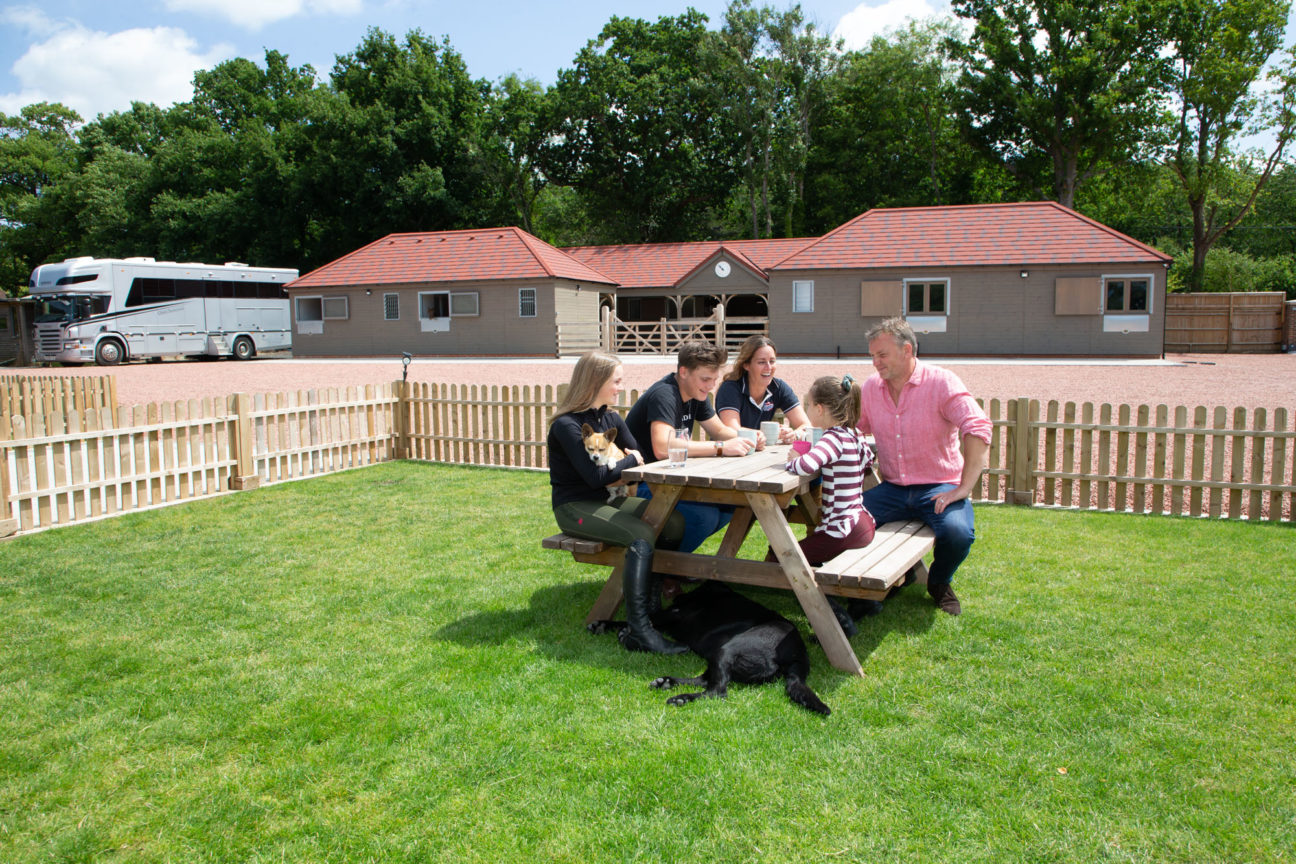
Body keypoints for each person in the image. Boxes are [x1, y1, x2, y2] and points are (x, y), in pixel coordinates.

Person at [548, 350, 687, 654]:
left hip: (608, 501)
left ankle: (651, 610)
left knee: (673, 522)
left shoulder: (610, 417)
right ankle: (639, 631)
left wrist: (621, 469)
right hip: (574, 508)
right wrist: (625, 466)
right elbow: (596, 477)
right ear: (595, 381)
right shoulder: (566, 425)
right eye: (616, 381)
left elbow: (642, 462)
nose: (620, 388)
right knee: (642, 534)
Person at [857, 317, 991, 615]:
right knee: (849, 523)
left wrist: (964, 488)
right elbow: (857, 427)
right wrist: (809, 432)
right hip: (892, 489)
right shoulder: (870, 387)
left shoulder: (941, 382)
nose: (876, 363)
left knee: (958, 534)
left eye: (882, 355)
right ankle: (881, 582)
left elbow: (978, 427)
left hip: (938, 486)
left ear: (907, 351)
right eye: (873, 356)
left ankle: (939, 582)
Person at [624, 340, 754, 554]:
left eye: (714, 379)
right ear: (683, 372)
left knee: (733, 505)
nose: (711, 386)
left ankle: (674, 567)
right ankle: (662, 571)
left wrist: (750, 437)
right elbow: (662, 447)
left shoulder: (696, 392)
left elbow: (720, 431)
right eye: (705, 379)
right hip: (639, 484)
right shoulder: (664, 394)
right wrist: (721, 448)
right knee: (705, 516)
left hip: (668, 480)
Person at [780, 374, 877, 635]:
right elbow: (868, 459)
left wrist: (795, 458)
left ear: (820, 409)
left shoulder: (832, 438)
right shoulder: (853, 434)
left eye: (809, 405)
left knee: (786, 559)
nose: (808, 410)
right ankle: (864, 602)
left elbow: (806, 466)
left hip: (842, 530)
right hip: (863, 523)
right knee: (798, 552)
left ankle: (835, 617)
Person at [715, 335, 812, 444]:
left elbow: (806, 425)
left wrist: (794, 434)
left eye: (772, 361)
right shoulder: (730, 389)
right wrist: (766, 433)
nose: (768, 367)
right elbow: (732, 430)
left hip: (761, 454)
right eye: (761, 362)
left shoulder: (779, 387)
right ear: (746, 365)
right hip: (726, 456)